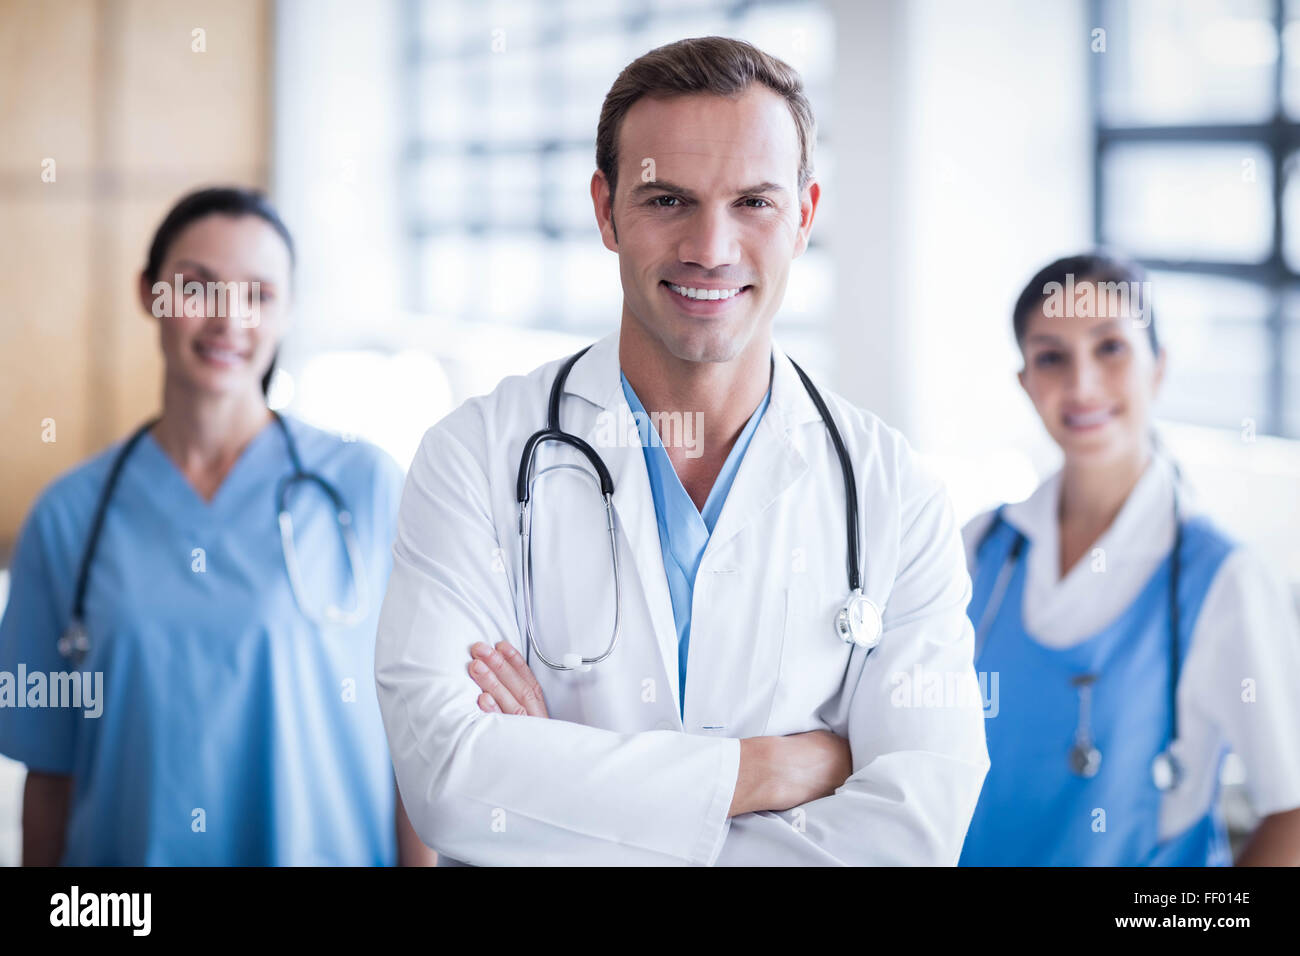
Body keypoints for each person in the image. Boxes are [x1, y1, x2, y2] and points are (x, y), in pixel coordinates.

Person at [374, 36, 989, 866]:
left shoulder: (896, 495)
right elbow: (452, 783)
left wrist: (558, 789)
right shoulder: (475, 459)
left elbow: (915, 832)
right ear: (606, 210)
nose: (711, 247)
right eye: (667, 200)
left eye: (754, 203)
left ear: (805, 215)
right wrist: (772, 769)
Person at [0, 187, 434, 865]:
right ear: (149, 294)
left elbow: (417, 737)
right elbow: (49, 772)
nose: (230, 319)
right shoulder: (69, 517)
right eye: (196, 287)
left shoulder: (366, 488)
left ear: (287, 310)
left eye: (259, 294)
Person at [958, 252, 1300, 866]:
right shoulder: (980, 548)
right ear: (1026, 381)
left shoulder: (1223, 577)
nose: (1082, 384)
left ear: (1158, 367)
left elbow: (1292, 811)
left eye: (1110, 347)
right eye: (1051, 357)